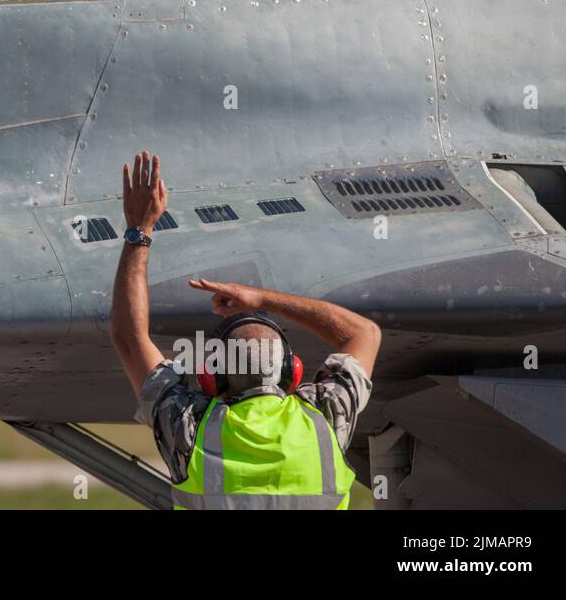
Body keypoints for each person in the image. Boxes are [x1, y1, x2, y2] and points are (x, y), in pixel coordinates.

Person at [109, 151, 382, 509]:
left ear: (210, 378)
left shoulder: (189, 429)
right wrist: (261, 299)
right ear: (292, 372)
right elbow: (364, 333)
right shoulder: (324, 420)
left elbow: (129, 336)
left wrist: (139, 230)